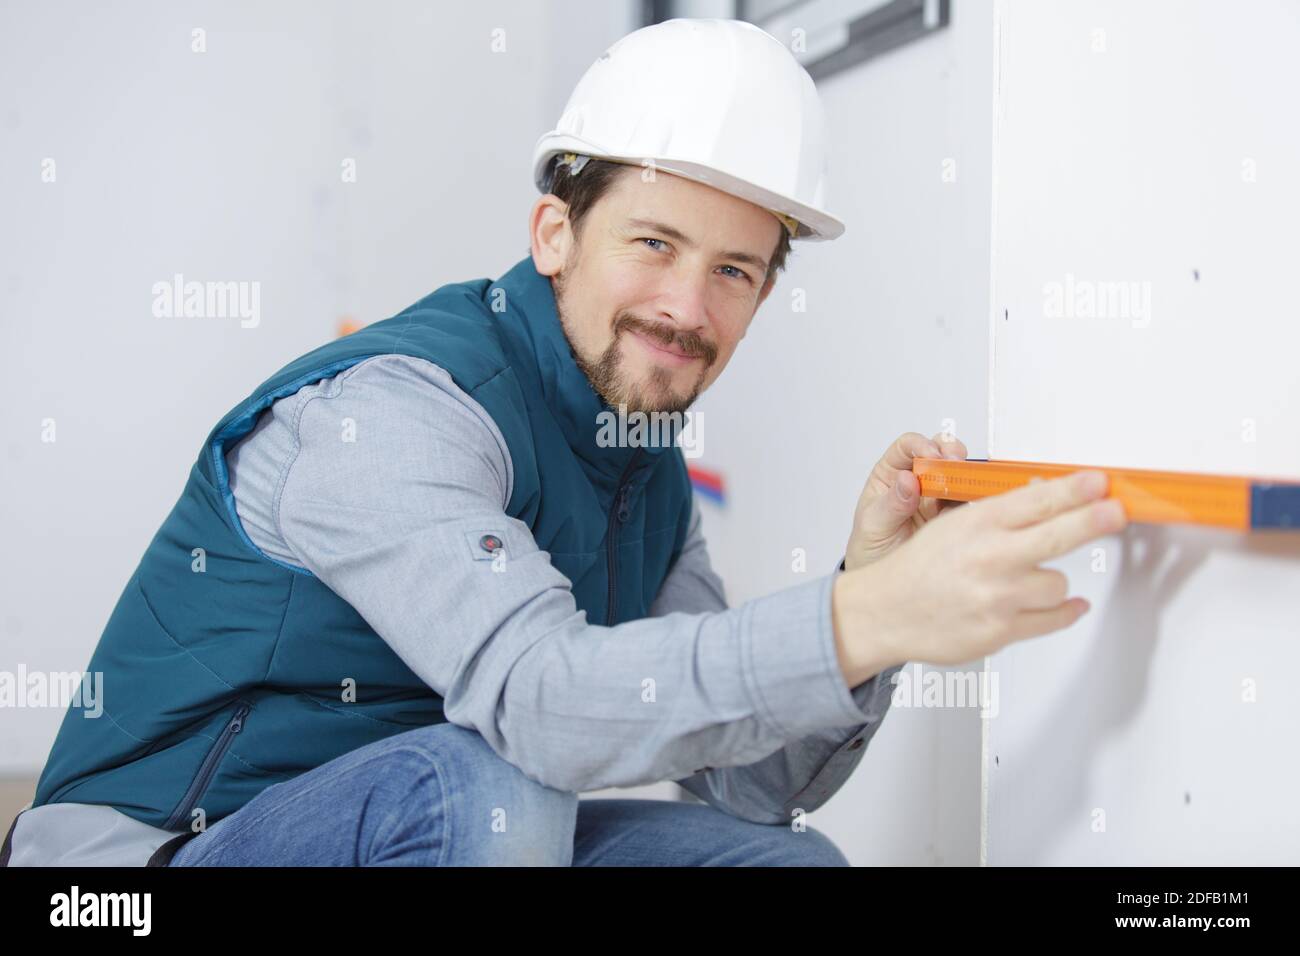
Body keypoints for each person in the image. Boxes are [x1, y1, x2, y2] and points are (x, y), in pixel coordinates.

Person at [1, 17, 1125, 868]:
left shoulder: (641, 462)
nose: (688, 306)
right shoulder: (393, 409)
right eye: (653, 241)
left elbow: (745, 783)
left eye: (734, 270)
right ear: (554, 233)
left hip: (427, 825)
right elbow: (536, 699)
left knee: (780, 862)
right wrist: (864, 618)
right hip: (141, 862)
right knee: (503, 780)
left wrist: (866, 591)